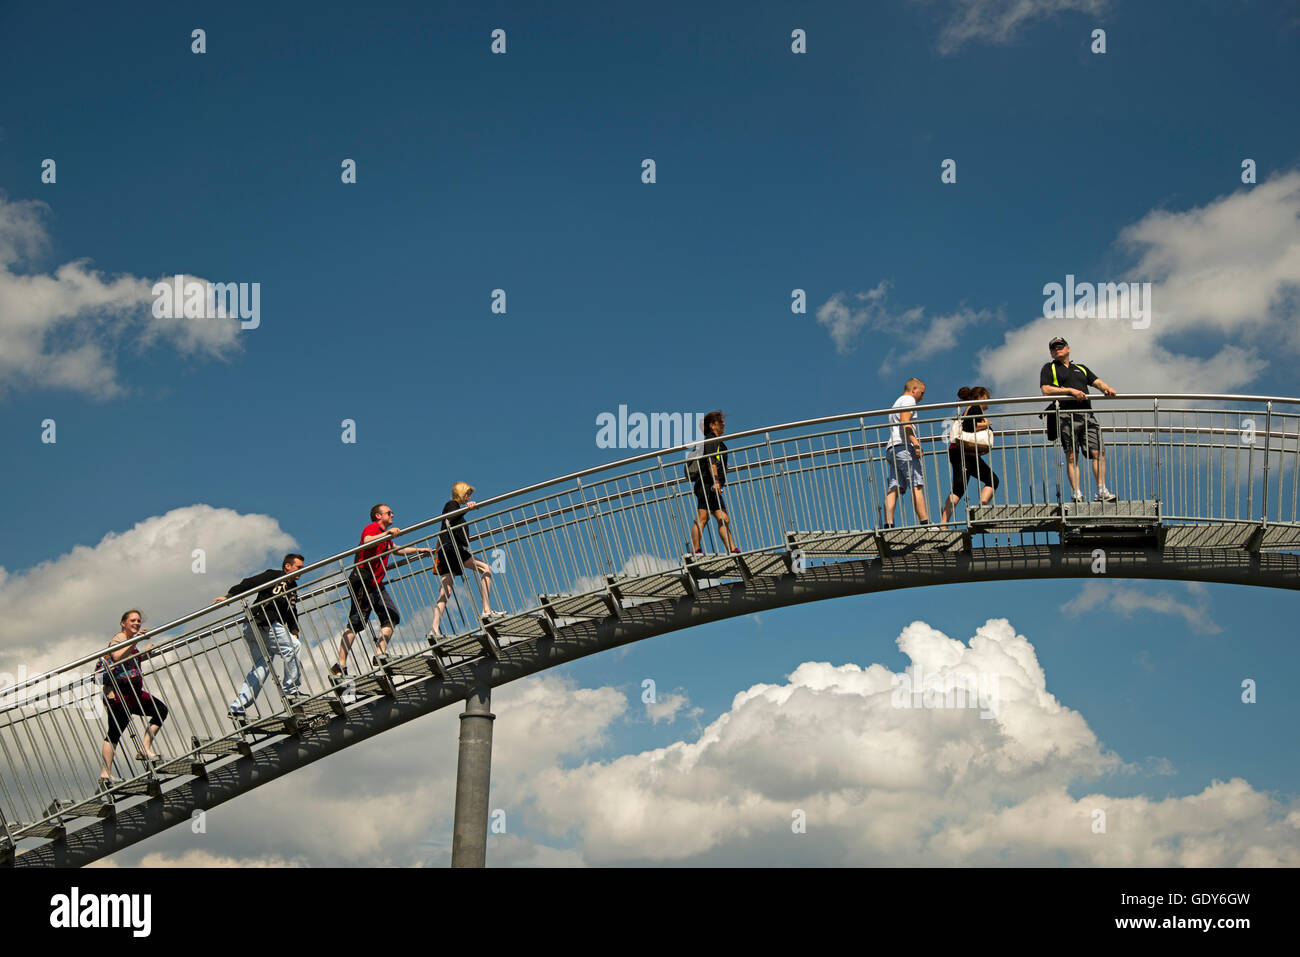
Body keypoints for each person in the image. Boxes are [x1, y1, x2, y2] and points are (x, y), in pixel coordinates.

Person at [334, 504, 434, 675]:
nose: (393, 514)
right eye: (389, 513)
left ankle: (380, 654)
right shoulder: (372, 528)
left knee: (392, 616)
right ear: (379, 516)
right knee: (357, 622)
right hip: (363, 579)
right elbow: (366, 541)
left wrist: (421, 550)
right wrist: (386, 533)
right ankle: (340, 664)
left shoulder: (385, 537)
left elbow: (397, 550)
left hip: (376, 584)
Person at [216, 553, 307, 718]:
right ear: (288, 566)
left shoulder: (293, 587)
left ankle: (238, 707)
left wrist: (294, 631)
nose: (301, 571)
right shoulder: (274, 576)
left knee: (261, 667)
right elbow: (250, 583)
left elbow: (291, 611)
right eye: (298, 567)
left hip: (257, 626)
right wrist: (230, 595)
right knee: (293, 648)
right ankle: (291, 691)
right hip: (262, 622)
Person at [96, 610, 169, 792]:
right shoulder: (119, 638)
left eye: (138, 621)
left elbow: (128, 661)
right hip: (119, 694)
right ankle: (105, 773)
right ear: (123, 623)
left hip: (133, 693)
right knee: (115, 731)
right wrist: (135, 641)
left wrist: (144, 653)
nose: (136, 623)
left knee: (160, 710)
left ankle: (144, 748)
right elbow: (117, 657)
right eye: (133, 621)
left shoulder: (130, 641)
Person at [1039, 337, 1119, 502]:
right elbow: (1046, 390)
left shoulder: (1081, 368)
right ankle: (1077, 494)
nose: (1057, 350)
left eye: (1060, 346)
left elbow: (1096, 382)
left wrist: (1107, 388)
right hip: (1066, 416)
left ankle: (1101, 491)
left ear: (1068, 349)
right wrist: (1070, 391)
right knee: (1072, 456)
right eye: (1053, 348)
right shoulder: (1049, 368)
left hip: (1087, 415)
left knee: (1099, 452)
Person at [428, 482, 500, 638]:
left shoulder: (455, 508)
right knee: (486, 568)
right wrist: (468, 509)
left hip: (446, 551)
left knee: (445, 590)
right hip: (452, 550)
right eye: (467, 494)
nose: (469, 497)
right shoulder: (452, 505)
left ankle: (434, 629)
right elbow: (451, 518)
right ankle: (486, 609)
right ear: (461, 493)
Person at [939, 386, 1000, 526]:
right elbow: (968, 426)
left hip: (962, 452)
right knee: (991, 480)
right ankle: (979, 513)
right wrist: (986, 424)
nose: (989, 401)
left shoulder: (971, 408)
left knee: (959, 488)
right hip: (965, 453)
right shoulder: (975, 407)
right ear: (981, 396)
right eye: (987, 398)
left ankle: (944, 523)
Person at [686, 410, 738, 555]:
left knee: (723, 518)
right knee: (703, 517)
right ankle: (695, 551)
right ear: (712, 425)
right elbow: (711, 460)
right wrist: (715, 481)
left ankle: (732, 549)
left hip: (713, 486)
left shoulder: (717, 441)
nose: (724, 423)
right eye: (720, 421)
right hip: (707, 484)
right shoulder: (710, 439)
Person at [883, 378, 931, 527]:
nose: (922, 397)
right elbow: (905, 421)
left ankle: (888, 524)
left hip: (892, 448)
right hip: (904, 447)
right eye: (921, 393)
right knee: (917, 485)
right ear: (914, 389)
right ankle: (925, 523)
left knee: (894, 487)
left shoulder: (897, 402)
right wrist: (916, 444)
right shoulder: (909, 400)